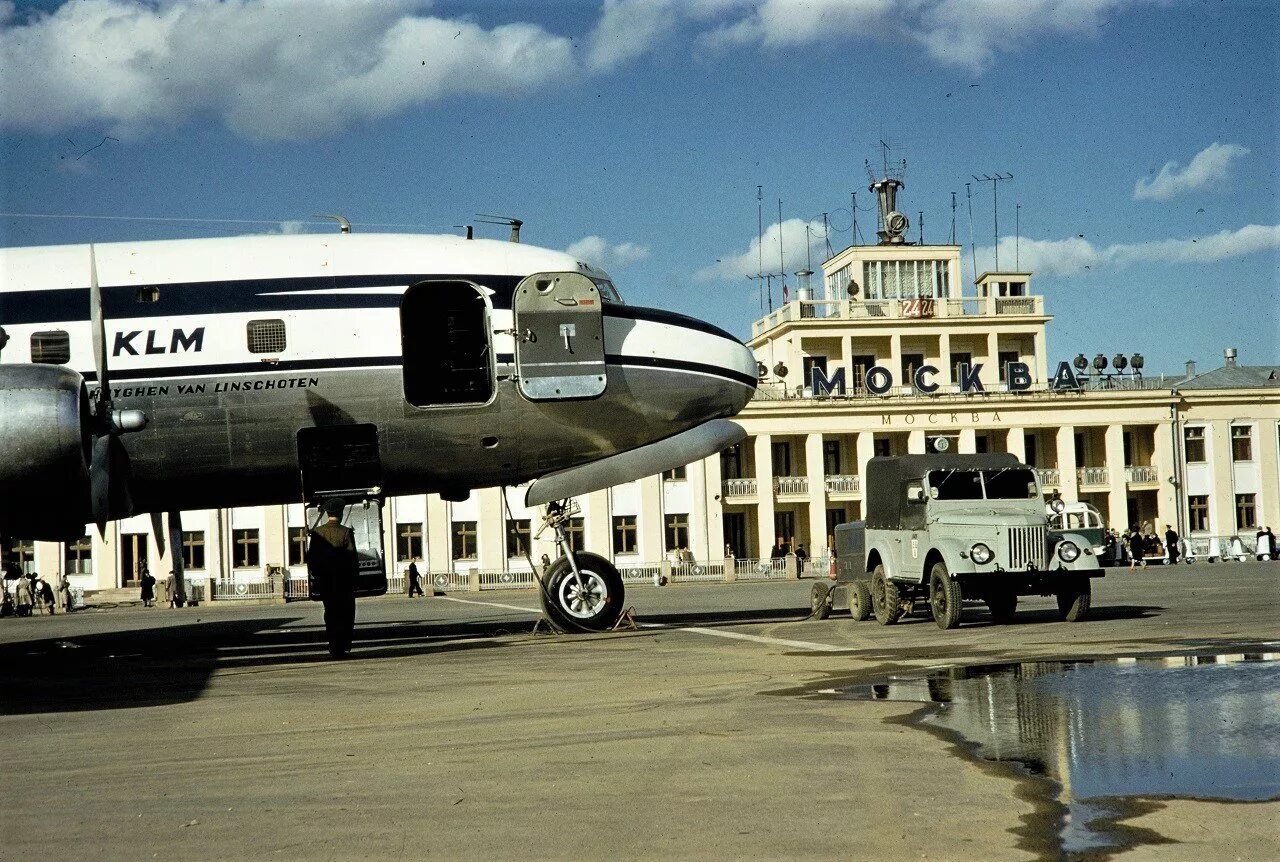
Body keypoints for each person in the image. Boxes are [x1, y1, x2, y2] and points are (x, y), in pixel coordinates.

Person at [308, 498, 358, 658]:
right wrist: (354, 580)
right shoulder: (345, 532)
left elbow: (312, 558)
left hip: (326, 582)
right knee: (346, 613)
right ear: (341, 513)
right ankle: (343, 645)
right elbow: (352, 559)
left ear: (327, 514)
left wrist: (317, 576)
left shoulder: (317, 533)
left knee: (330, 613)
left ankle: (333, 645)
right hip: (344, 583)